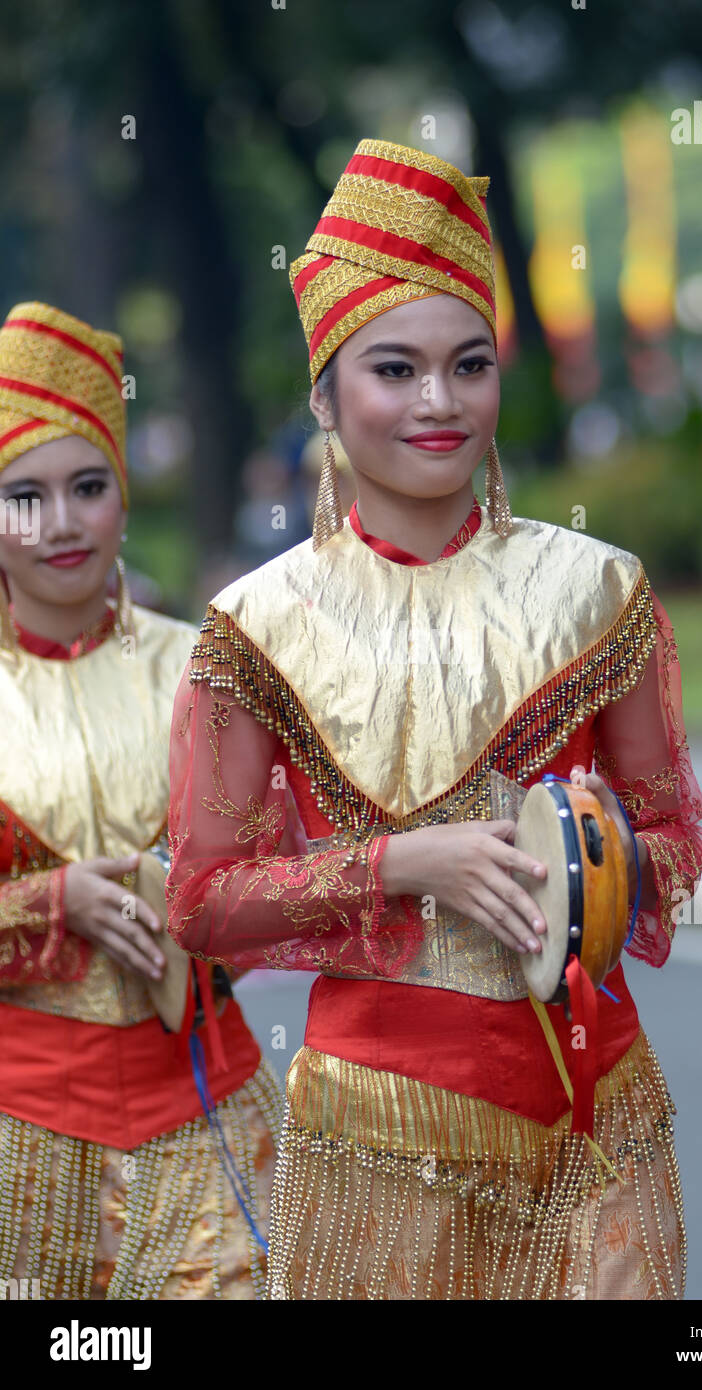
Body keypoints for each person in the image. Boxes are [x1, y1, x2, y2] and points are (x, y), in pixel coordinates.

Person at [167, 140, 702, 1301]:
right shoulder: (255, 629)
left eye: (469, 364)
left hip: (596, 1116)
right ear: (325, 393)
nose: (440, 401)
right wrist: (411, 862)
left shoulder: (594, 589)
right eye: (395, 370)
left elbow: (675, 843)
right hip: (377, 1140)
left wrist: (599, 851)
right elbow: (206, 901)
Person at [0, 302, 281, 1299]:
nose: (61, 521)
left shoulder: (208, 665)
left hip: (206, 1110)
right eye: (22, 496)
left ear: (125, 494)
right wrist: (51, 904)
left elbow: (297, 879)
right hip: (22, 1139)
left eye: (87, 485)